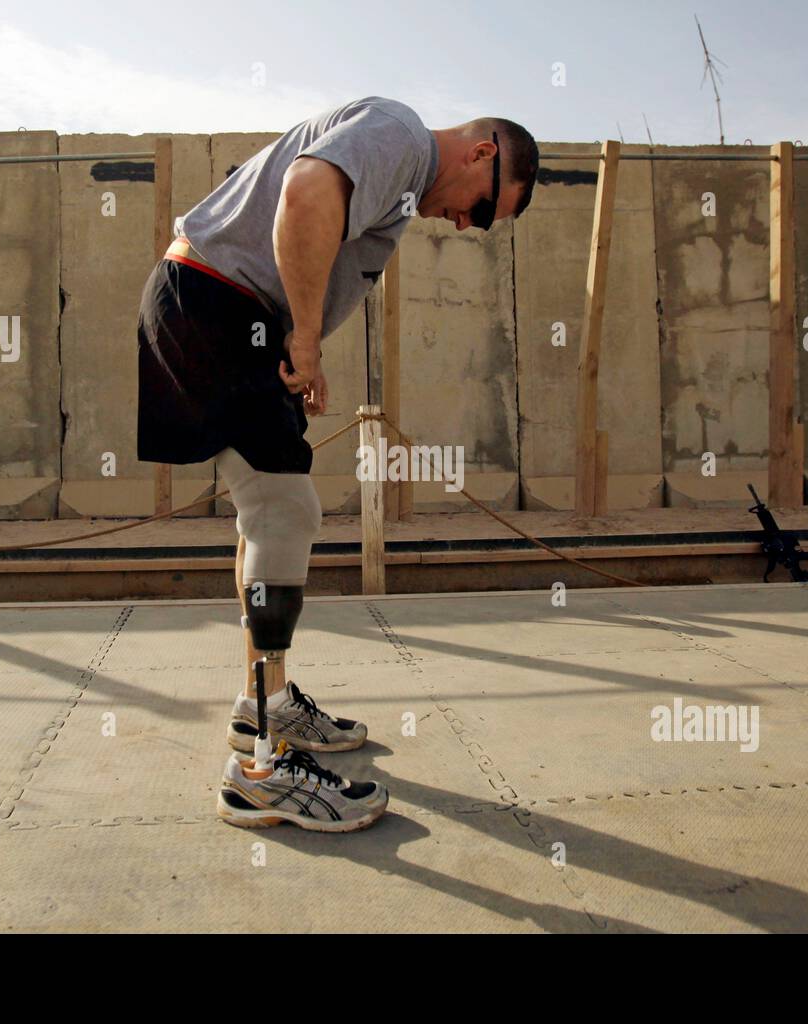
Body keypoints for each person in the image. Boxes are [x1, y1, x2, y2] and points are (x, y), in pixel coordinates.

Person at [136, 96, 538, 832]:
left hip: (228, 306)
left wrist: (301, 336)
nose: (465, 226)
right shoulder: (402, 136)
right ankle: (261, 768)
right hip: (220, 303)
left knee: (268, 513)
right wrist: (308, 340)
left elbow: (313, 228)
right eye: (483, 212)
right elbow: (306, 193)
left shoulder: (404, 171)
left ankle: (266, 705)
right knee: (285, 511)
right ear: (483, 153)